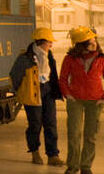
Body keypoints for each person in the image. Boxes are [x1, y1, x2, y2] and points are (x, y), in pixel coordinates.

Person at [57, 25, 104, 174]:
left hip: (95, 102)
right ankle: (73, 165)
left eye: (94, 39)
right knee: (74, 133)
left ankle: (86, 166)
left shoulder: (102, 59)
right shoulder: (70, 59)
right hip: (75, 101)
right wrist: (68, 95)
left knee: (91, 134)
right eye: (90, 40)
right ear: (81, 43)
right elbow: (62, 79)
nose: (94, 42)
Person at [9, 27, 63, 166]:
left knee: (51, 123)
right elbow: (15, 77)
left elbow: (53, 75)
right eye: (49, 42)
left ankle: (53, 155)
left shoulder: (49, 56)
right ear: (40, 42)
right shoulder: (25, 58)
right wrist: (22, 92)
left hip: (48, 92)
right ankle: (35, 151)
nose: (51, 45)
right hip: (33, 94)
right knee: (35, 124)